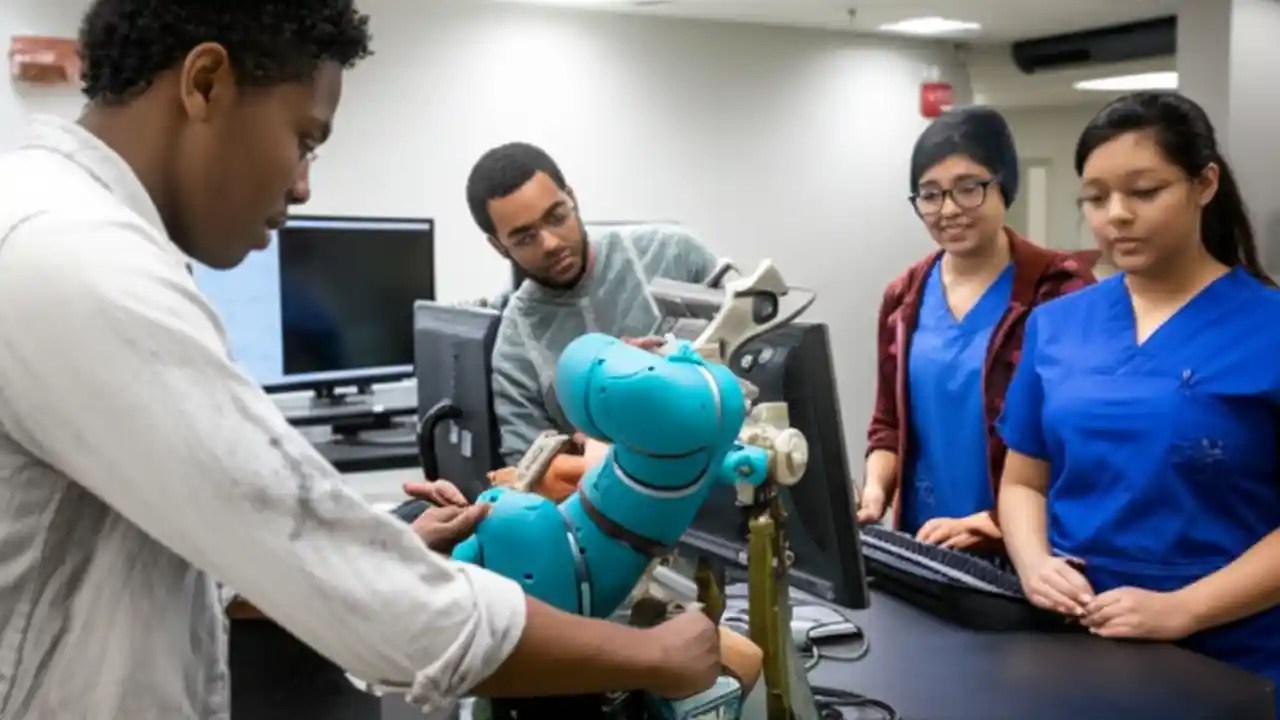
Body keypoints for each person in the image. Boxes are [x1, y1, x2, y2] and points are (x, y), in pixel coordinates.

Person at [0, 2, 720, 719]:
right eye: (305, 139)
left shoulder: (54, 226)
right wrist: (654, 658)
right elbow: (382, 614)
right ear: (206, 84)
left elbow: (220, 550)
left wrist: (381, 544)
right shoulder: (82, 264)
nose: (304, 183)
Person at [997, 90, 1280, 712]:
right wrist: (1034, 562)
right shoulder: (1058, 324)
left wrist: (1185, 609)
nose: (1115, 215)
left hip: (1229, 661)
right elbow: (1024, 482)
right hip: (1075, 644)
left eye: (1144, 192)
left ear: (1205, 183)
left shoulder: (1269, 327)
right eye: (1095, 199)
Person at [858, 106, 1094, 550]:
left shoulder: (1060, 290)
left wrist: (997, 521)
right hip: (923, 542)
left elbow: (1083, 442)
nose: (948, 210)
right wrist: (874, 491)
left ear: (1004, 186)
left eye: (969, 189)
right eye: (929, 194)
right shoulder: (903, 297)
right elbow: (888, 424)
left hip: (1025, 549)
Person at [466, 142, 721, 465]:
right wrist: (588, 446)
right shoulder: (517, 346)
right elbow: (528, 471)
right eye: (525, 238)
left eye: (557, 217)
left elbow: (757, 361)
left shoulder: (675, 256)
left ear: (571, 197)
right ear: (499, 247)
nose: (551, 244)